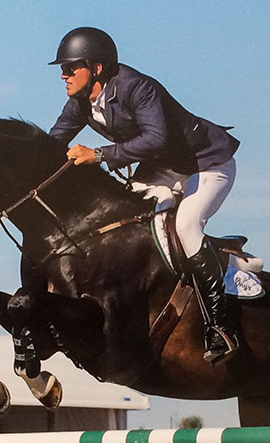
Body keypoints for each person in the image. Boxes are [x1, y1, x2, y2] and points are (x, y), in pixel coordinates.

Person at [48, 26, 241, 364]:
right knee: (124, 219)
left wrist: (98, 155)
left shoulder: (137, 87)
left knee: (185, 226)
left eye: (70, 68)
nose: (63, 75)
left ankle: (219, 327)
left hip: (206, 164)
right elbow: (51, 144)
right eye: (63, 69)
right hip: (163, 168)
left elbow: (156, 138)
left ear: (96, 68)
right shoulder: (80, 103)